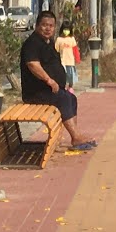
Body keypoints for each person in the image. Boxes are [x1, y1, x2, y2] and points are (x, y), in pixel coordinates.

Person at [20, 10, 97, 150]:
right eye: (44, 25)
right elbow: (33, 65)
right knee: (64, 99)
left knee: (71, 98)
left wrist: (62, 82)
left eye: (51, 25)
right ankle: (76, 137)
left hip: (50, 90)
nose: (48, 28)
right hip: (36, 93)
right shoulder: (32, 43)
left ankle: (76, 135)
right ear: (37, 26)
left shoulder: (48, 43)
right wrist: (49, 80)